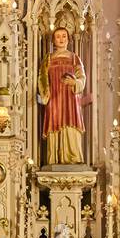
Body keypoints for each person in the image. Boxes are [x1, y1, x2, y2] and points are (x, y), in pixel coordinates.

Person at [38, 26, 85, 165]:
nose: (61, 39)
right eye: (58, 36)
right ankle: (54, 159)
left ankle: (73, 157)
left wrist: (75, 82)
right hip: (55, 98)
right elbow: (42, 78)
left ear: (68, 39)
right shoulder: (48, 59)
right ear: (53, 40)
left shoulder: (74, 58)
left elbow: (82, 77)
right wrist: (45, 94)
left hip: (70, 98)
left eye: (64, 36)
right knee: (55, 122)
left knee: (70, 121)